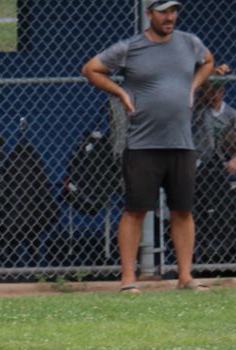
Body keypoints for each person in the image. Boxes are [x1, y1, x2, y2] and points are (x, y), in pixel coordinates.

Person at [81, 0, 215, 292]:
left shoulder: (189, 42)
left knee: (183, 210)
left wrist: (193, 87)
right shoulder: (130, 47)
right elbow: (91, 69)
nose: (171, 17)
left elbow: (209, 61)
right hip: (143, 145)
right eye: (164, 11)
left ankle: (185, 277)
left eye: (174, 11)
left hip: (181, 143)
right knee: (135, 210)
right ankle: (129, 279)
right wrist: (121, 93)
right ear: (149, 14)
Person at [193, 64, 236, 173]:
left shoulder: (231, 114)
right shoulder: (199, 107)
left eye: (218, 91)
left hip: (220, 162)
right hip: (197, 161)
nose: (214, 95)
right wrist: (211, 73)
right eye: (211, 91)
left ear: (223, 91)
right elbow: (194, 90)